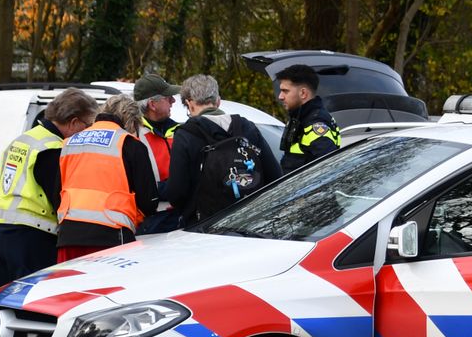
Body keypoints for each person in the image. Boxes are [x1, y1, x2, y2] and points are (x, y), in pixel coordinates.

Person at [0, 88, 99, 293]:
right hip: (28, 234)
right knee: (30, 300)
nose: (89, 130)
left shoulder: (24, 139)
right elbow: (59, 197)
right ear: (73, 122)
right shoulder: (53, 148)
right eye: (88, 124)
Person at [166, 73, 281, 225]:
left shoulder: (186, 134)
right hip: (251, 220)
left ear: (190, 103)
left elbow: (176, 193)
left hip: (206, 226)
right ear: (218, 101)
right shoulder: (247, 127)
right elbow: (275, 175)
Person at [56, 93, 158, 261]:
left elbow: (57, 192)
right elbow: (149, 201)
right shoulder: (130, 144)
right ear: (130, 121)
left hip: (69, 234)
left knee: (70, 286)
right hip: (112, 235)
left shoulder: (70, 142)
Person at [133, 72, 181, 234]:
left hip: (181, 216)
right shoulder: (133, 135)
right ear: (153, 105)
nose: (173, 101)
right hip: (151, 220)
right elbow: (136, 186)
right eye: (168, 98)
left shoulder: (180, 131)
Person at [276, 64, 341, 173]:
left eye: (285, 91)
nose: (280, 96)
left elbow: (330, 169)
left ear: (303, 93)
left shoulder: (315, 123)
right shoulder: (300, 118)